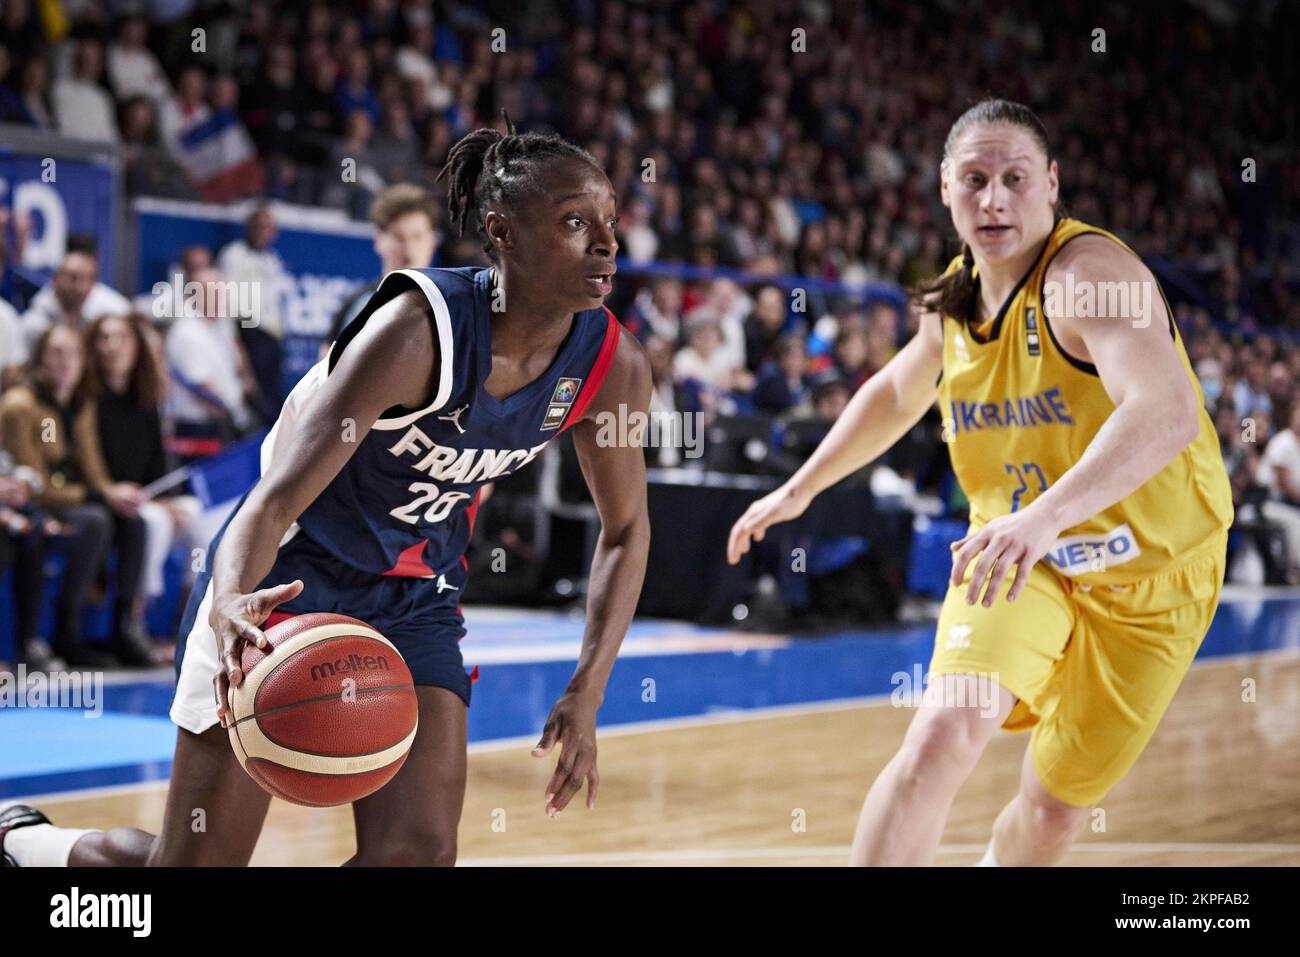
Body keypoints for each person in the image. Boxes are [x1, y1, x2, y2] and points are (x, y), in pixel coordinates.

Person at [2, 123, 652, 867]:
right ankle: (29, 843)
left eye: (609, 220)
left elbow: (626, 530)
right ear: (502, 232)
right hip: (285, 578)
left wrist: (588, 690)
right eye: (575, 222)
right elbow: (273, 500)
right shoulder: (416, 333)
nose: (607, 242)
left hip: (415, 594)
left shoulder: (614, 367)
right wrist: (228, 602)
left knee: (417, 854)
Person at [727, 99, 1232, 867]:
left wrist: (1047, 516)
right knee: (938, 735)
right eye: (974, 179)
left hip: (1155, 571)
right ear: (944, 187)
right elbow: (897, 391)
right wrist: (801, 487)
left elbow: (1167, 412)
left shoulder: (1089, 276)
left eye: (1014, 179)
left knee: (1052, 809)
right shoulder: (954, 297)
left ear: (1051, 184)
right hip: (1018, 556)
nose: (994, 199)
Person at [0, 326, 149, 667]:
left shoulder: (80, 404)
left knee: (132, 521)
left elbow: (93, 468)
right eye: (56, 352)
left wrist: (112, 493)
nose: (65, 362)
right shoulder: (20, 406)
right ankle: (64, 633)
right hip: (40, 505)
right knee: (94, 521)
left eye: (73, 353)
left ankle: (123, 628)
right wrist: (96, 494)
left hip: (72, 500)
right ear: (39, 359)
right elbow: (34, 487)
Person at [85, 312, 202, 656]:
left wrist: (161, 498)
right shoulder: (88, 399)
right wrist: (123, 494)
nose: (112, 347)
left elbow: (156, 470)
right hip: (109, 497)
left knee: (199, 516)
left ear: (136, 347)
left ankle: (187, 626)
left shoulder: (147, 401)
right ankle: (133, 621)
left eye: (120, 338)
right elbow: (91, 466)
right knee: (155, 522)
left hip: (145, 495)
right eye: (104, 339)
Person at [324, 183, 439, 346]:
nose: (409, 248)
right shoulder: (358, 305)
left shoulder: (449, 306)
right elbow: (328, 358)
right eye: (399, 237)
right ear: (379, 240)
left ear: (432, 240)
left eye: (417, 236)